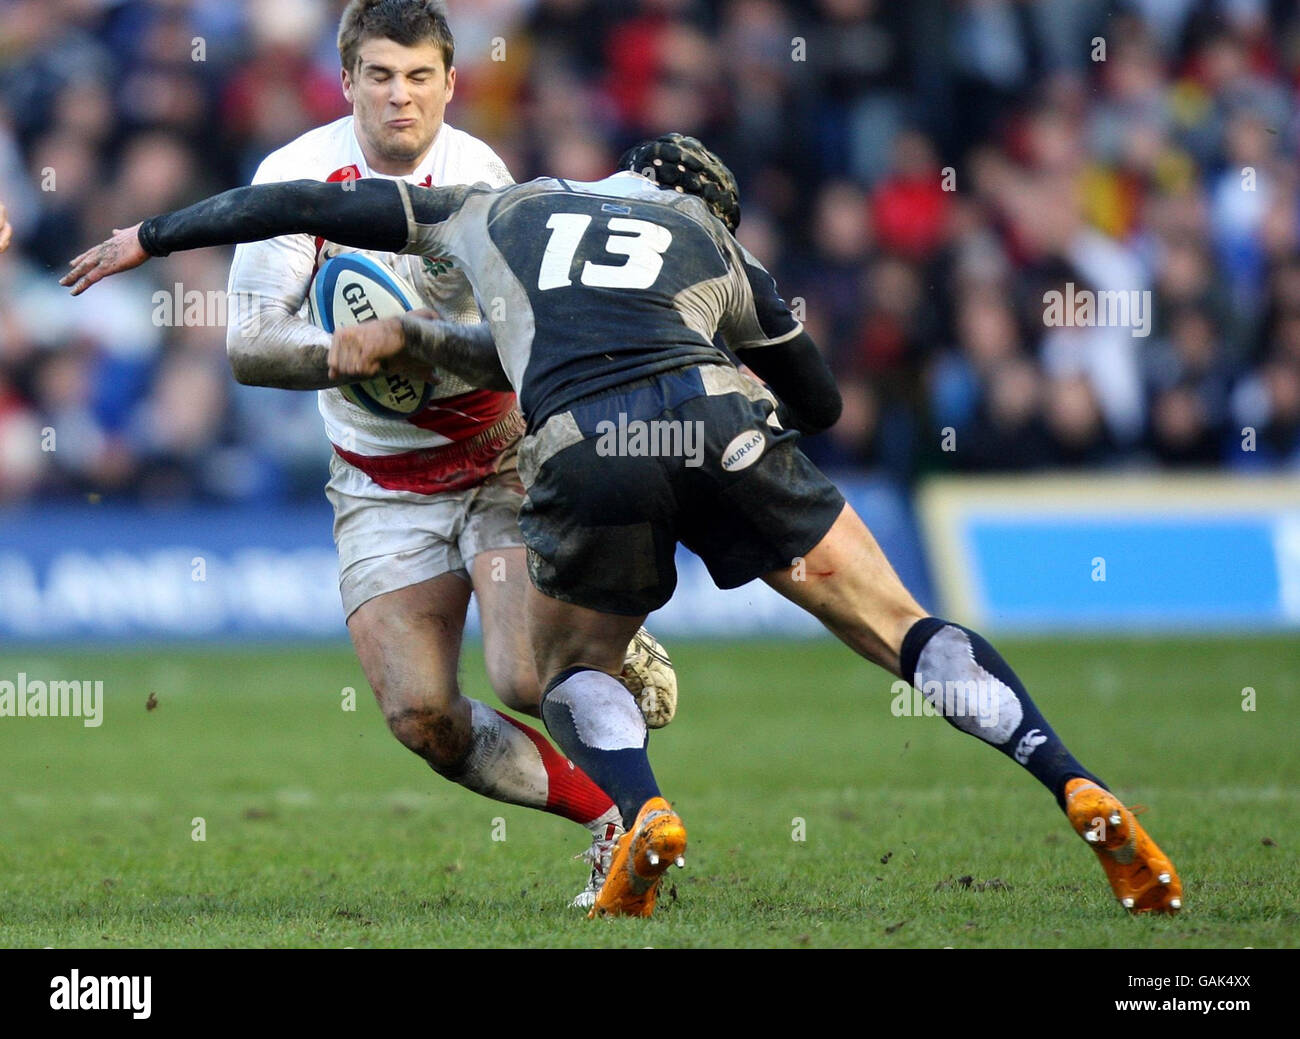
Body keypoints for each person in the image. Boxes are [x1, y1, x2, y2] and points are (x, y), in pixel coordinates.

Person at [63, 133, 1183, 920]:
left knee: (559, 670)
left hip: (584, 446)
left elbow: (301, 206)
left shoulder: (493, 206)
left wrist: (151, 236)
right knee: (899, 624)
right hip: (722, 419)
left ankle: (642, 812)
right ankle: (1069, 777)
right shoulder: (713, 242)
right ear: (699, 199)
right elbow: (825, 404)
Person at [206, 0, 678, 908]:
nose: (400, 95)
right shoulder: (293, 178)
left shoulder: (483, 182)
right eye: (379, 75)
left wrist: (412, 341)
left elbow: (518, 343)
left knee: (526, 675)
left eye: (420, 76)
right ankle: (610, 820)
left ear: (452, 82)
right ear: (346, 79)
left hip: (497, 454)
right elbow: (248, 345)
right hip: (378, 479)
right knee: (423, 717)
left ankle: (613, 712)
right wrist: (333, 354)